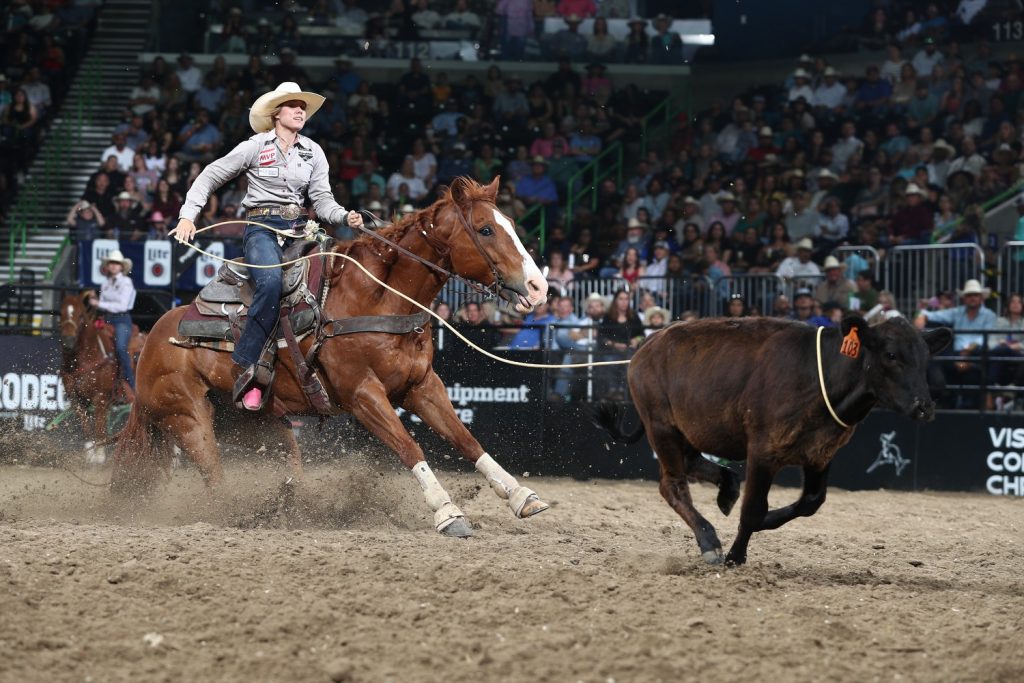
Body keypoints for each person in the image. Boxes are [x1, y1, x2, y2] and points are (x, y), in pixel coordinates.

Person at [170, 82, 364, 411]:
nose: (300, 110)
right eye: (292, 105)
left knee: (336, 275)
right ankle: (250, 368)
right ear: (276, 114)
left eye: (302, 106)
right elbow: (210, 175)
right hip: (262, 229)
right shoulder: (255, 146)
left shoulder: (313, 151)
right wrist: (188, 217)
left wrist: (346, 216)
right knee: (271, 281)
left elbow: (323, 200)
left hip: (302, 229)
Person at [915, 278, 997, 409]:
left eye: (975, 295)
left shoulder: (989, 315)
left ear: (981, 297)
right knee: (937, 361)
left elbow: (989, 338)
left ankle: (963, 405)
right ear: (964, 298)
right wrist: (922, 316)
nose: (972, 298)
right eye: (969, 295)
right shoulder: (958, 312)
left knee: (974, 370)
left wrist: (971, 349)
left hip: (976, 354)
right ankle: (939, 401)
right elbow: (934, 315)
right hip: (956, 356)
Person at [88, 251, 137, 391]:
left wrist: (98, 303)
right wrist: (96, 301)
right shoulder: (105, 284)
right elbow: (103, 303)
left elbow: (122, 305)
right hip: (107, 319)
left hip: (122, 319)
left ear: (121, 267)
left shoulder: (126, 282)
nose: (114, 266)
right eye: (112, 263)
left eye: (117, 264)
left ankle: (131, 383)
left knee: (121, 348)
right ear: (108, 266)